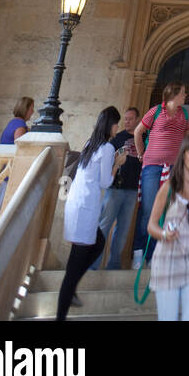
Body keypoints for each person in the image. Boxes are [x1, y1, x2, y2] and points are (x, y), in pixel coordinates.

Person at [56, 106, 126, 320]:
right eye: (116, 123)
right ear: (110, 125)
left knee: (97, 243)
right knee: (75, 265)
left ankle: (73, 285)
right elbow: (105, 181)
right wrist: (117, 164)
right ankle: (62, 312)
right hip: (85, 208)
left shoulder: (90, 143)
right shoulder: (105, 149)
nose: (118, 127)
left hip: (78, 205)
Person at [148, 133, 189, 321]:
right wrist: (163, 233)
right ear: (183, 154)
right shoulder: (169, 186)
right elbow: (151, 225)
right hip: (168, 259)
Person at [133, 83, 189, 266]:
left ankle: (155, 254)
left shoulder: (185, 115)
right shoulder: (156, 111)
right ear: (173, 95)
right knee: (149, 210)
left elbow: (187, 140)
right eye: (182, 93)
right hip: (152, 166)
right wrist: (141, 153)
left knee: (167, 211)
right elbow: (138, 132)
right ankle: (140, 252)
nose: (185, 95)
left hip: (173, 169)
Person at [90, 106, 140, 271]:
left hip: (132, 190)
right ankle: (93, 264)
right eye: (125, 119)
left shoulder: (143, 139)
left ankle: (114, 265)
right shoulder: (116, 139)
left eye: (130, 119)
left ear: (137, 120)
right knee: (104, 226)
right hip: (114, 188)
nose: (126, 122)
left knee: (123, 230)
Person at [0, 97, 35, 237]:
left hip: (3, 173)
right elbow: (21, 150)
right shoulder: (20, 125)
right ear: (25, 109)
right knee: (0, 212)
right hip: (9, 174)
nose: (33, 111)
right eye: (31, 108)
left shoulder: (13, 122)